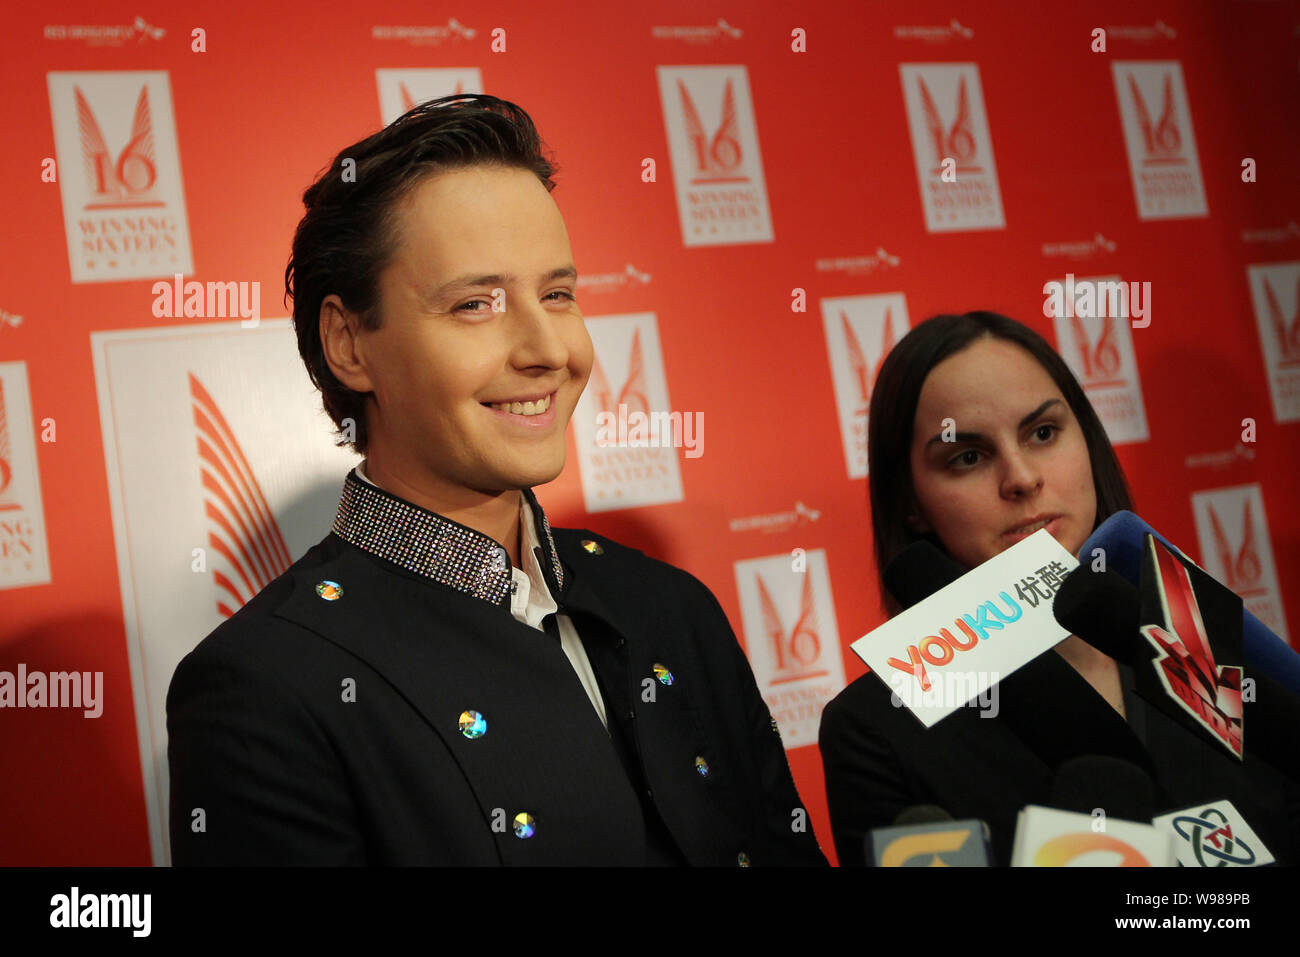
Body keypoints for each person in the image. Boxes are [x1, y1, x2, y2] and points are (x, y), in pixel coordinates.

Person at [167, 94, 825, 866]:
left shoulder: (671, 609)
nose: (548, 348)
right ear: (349, 344)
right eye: (476, 304)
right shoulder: (263, 690)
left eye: (557, 294)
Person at [819, 311, 1300, 865]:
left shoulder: (1196, 636)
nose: (1021, 477)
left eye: (1043, 433)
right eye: (967, 456)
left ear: (1087, 442)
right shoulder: (875, 731)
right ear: (911, 503)